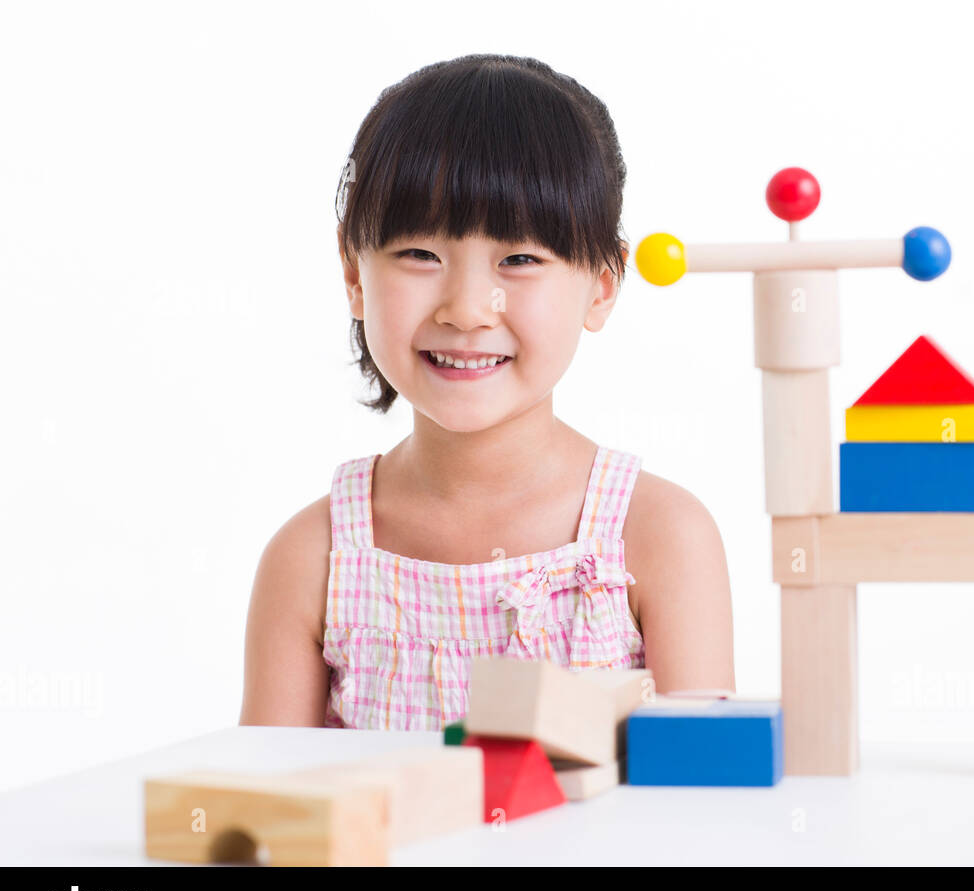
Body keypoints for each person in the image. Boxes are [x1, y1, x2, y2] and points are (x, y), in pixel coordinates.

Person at [240, 54, 735, 730]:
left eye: (521, 259)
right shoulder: (312, 558)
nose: (468, 308)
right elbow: (268, 817)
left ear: (603, 284)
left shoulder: (659, 539)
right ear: (355, 273)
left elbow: (701, 809)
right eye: (420, 254)